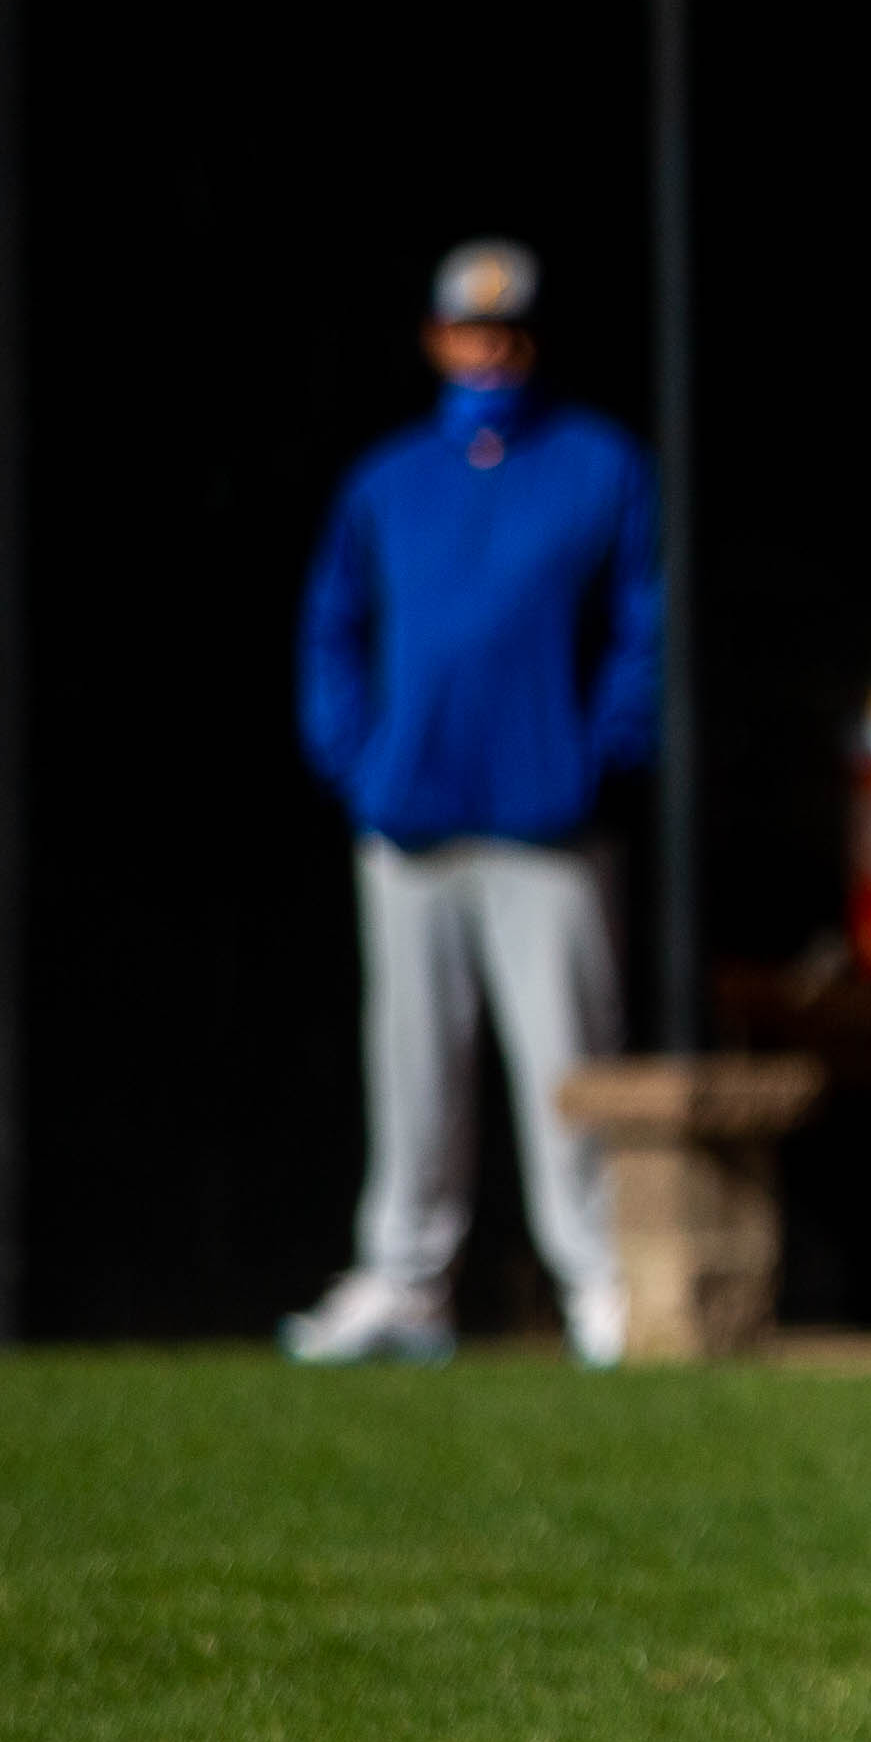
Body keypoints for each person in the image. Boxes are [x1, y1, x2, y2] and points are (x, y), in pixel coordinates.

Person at [283, 238, 662, 1366]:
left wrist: (596, 756)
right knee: (411, 1067)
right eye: (469, 332)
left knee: (566, 1067)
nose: (489, 351)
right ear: (437, 340)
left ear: (533, 341)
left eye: (508, 334)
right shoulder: (388, 481)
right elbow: (332, 632)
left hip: (548, 823)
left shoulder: (599, 464)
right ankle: (406, 1281)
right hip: (412, 819)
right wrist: (362, 761)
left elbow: (646, 631)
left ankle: (597, 1283)